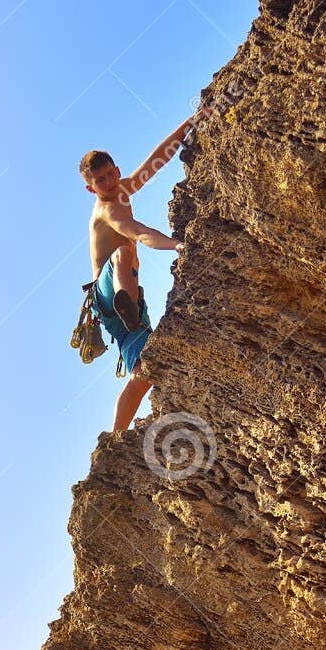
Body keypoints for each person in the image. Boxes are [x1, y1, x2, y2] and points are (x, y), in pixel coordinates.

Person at [80, 113, 194, 432]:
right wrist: (176, 245)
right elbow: (139, 231)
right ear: (90, 188)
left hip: (128, 303)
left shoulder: (124, 188)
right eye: (99, 181)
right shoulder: (109, 210)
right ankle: (125, 301)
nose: (107, 183)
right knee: (123, 251)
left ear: (116, 171)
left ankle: (116, 435)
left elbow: (156, 160)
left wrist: (190, 124)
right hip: (107, 293)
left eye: (108, 175)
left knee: (146, 367)